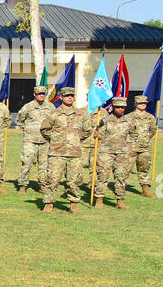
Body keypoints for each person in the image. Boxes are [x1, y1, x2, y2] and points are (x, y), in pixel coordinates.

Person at [38, 85, 92, 214]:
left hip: (74, 153)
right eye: (67, 96)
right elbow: (44, 129)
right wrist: (55, 139)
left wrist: (77, 139)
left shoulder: (81, 114)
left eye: (72, 96)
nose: (70, 98)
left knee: (74, 180)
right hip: (57, 153)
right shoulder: (54, 114)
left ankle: (73, 205)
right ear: (61, 97)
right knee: (53, 178)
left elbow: (88, 130)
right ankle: (49, 203)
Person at [92, 96, 133, 210]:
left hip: (122, 154)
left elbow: (133, 136)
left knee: (121, 177)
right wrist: (97, 135)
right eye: (118, 107)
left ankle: (120, 201)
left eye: (123, 107)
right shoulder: (105, 120)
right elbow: (99, 134)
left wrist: (128, 147)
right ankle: (99, 199)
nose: (120, 109)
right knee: (102, 176)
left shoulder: (128, 121)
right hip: (106, 152)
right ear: (113, 107)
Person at [14, 85, 54, 194]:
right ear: (34, 94)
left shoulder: (51, 107)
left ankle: (42, 185)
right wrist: (28, 131)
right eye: (39, 94)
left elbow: (54, 122)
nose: (41, 96)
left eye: (43, 94)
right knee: (27, 162)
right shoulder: (28, 107)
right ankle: (23, 185)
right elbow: (20, 121)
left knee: (44, 165)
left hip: (45, 141)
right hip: (30, 141)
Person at [126, 94, 158, 197]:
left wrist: (145, 139)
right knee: (125, 169)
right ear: (135, 104)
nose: (143, 105)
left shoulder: (150, 117)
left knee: (144, 168)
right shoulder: (128, 117)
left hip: (144, 147)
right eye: (140, 103)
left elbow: (153, 131)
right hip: (130, 147)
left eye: (144, 103)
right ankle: (120, 188)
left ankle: (145, 189)